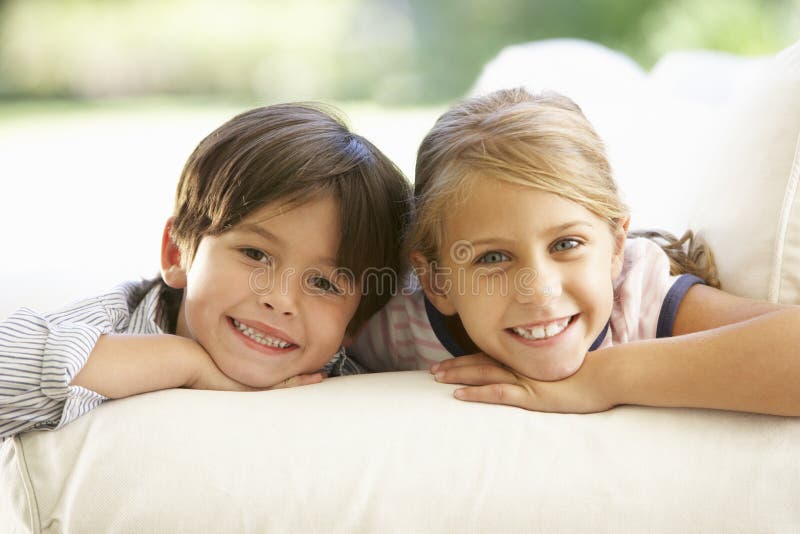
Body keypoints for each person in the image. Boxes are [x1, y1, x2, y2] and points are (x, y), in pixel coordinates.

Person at [349, 88, 800, 416]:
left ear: (615, 248)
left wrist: (605, 378)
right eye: (492, 258)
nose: (540, 291)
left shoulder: (637, 298)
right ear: (438, 281)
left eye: (566, 244)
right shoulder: (400, 323)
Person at [0, 103, 412, 439]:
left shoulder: (349, 377)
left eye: (323, 282)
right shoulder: (112, 326)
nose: (280, 298)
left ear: (355, 323)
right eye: (255, 253)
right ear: (177, 253)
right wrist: (183, 362)